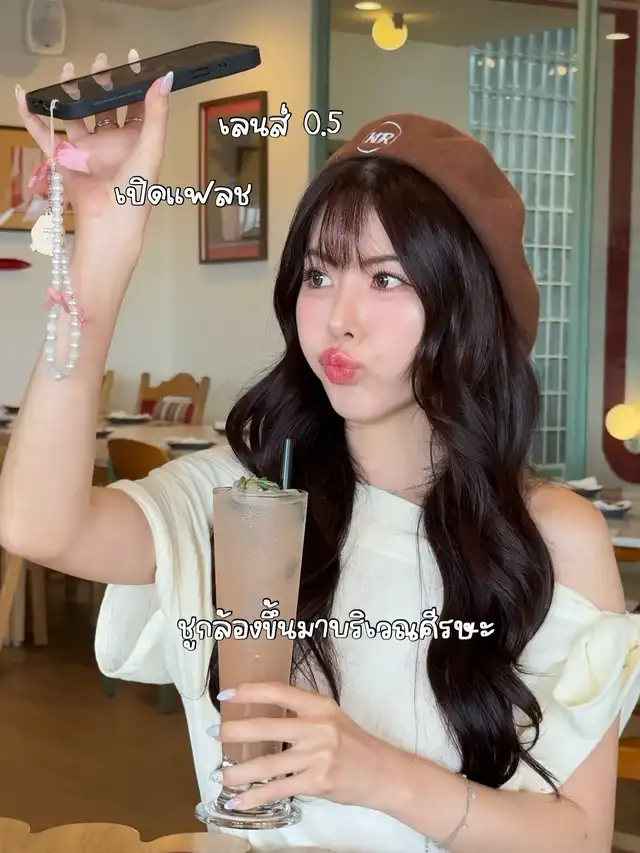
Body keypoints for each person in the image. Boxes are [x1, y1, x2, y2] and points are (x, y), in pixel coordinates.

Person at [1, 52, 639, 853]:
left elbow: (579, 837)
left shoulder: (556, 538)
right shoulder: (248, 505)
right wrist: (104, 239)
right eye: (317, 273)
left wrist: (377, 772)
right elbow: (36, 524)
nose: (338, 317)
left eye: (386, 279)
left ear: (468, 306)